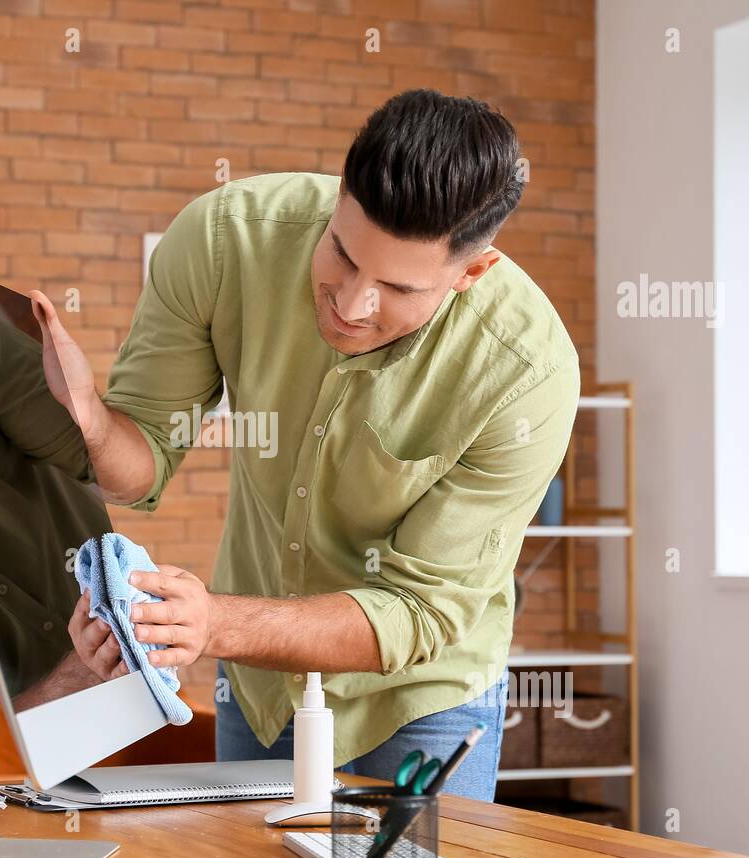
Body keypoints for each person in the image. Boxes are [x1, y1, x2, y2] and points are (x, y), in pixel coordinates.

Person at [30, 88, 580, 801]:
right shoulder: (225, 241)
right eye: (342, 255)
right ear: (338, 198)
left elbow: (419, 610)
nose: (351, 304)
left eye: (396, 288)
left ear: (472, 273)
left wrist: (213, 622)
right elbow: (141, 464)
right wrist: (92, 423)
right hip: (260, 687)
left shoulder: (525, 372)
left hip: (417, 698)